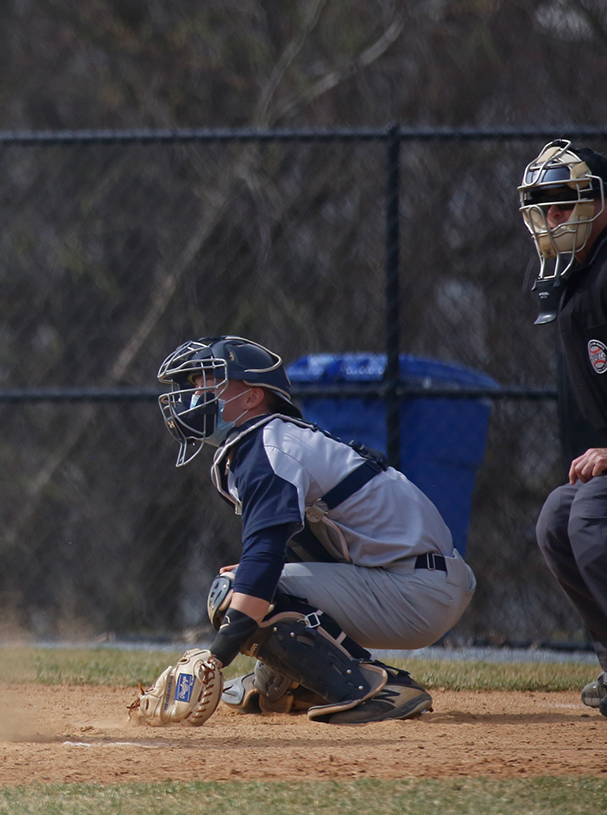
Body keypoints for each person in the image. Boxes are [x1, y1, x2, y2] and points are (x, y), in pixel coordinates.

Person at [155, 335, 475, 723]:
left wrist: (215, 657)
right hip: (417, 578)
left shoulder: (268, 449)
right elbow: (291, 548)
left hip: (416, 589)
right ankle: (299, 684)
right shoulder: (272, 440)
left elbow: (265, 557)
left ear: (253, 396)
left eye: (210, 379)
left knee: (238, 592)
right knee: (250, 581)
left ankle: (378, 685)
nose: (196, 392)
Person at [519, 140, 607, 716]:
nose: (555, 220)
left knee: (592, 517)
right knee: (558, 516)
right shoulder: (576, 276)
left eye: (567, 204)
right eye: (546, 208)